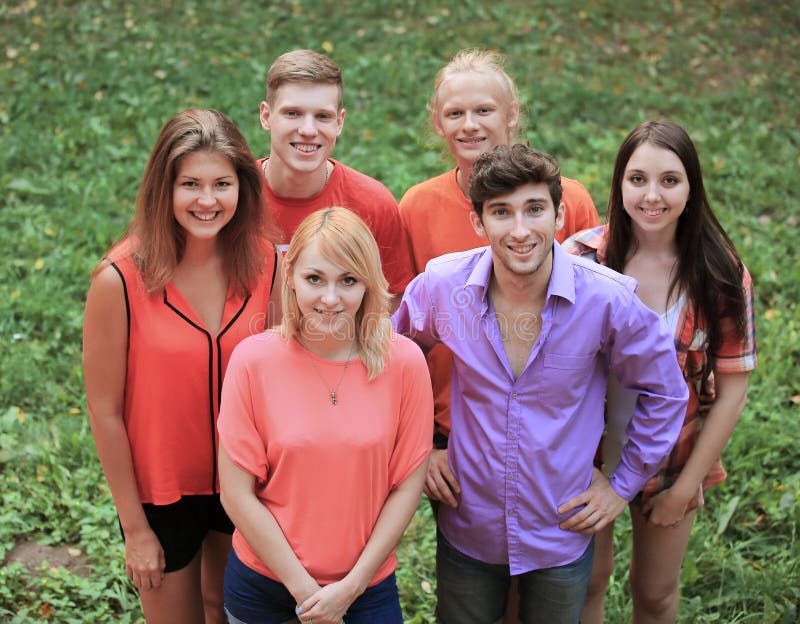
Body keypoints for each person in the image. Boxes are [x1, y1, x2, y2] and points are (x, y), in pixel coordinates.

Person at [393, 144, 688, 624]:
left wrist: (621, 486)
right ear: (478, 223)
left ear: (560, 214)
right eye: (501, 213)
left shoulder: (606, 300)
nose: (521, 229)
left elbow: (666, 392)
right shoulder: (443, 287)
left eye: (535, 209)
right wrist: (421, 447)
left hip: (561, 527)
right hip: (469, 519)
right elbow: (390, 362)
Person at [83, 108, 282, 623]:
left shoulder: (270, 264)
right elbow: (104, 411)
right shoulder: (119, 281)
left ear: (244, 187)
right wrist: (136, 528)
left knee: (225, 609)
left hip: (244, 484)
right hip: (162, 492)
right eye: (190, 184)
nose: (208, 200)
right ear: (163, 188)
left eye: (222, 183)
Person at [563, 120, 757, 624]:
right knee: (587, 583)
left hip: (672, 460)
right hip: (588, 457)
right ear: (619, 184)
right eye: (638, 179)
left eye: (670, 180)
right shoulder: (581, 258)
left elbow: (733, 392)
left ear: (691, 187)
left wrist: (686, 485)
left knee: (655, 594)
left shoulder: (720, 275)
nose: (652, 195)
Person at [398, 49, 600, 509]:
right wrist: (424, 443)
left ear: (511, 115)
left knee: (572, 571)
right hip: (459, 432)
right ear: (438, 123)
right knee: (475, 566)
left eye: (483, 110)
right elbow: (404, 336)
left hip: (558, 430)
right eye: (455, 113)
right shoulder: (418, 207)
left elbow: (600, 321)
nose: (469, 124)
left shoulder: (568, 201)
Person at [218, 207, 433, 624]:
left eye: (348, 280)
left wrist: (350, 588)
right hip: (264, 588)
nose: (330, 299)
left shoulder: (404, 362)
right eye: (314, 279)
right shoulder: (253, 361)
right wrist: (306, 593)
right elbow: (237, 494)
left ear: (368, 283)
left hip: (366, 590)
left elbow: (407, 487)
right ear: (290, 275)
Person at [258, 48, 414, 309]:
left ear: (339, 123)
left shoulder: (371, 204)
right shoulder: (232, 196)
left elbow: (391, 308)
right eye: (292, 113)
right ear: (266, 116)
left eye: (322, 116)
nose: (308, 130)